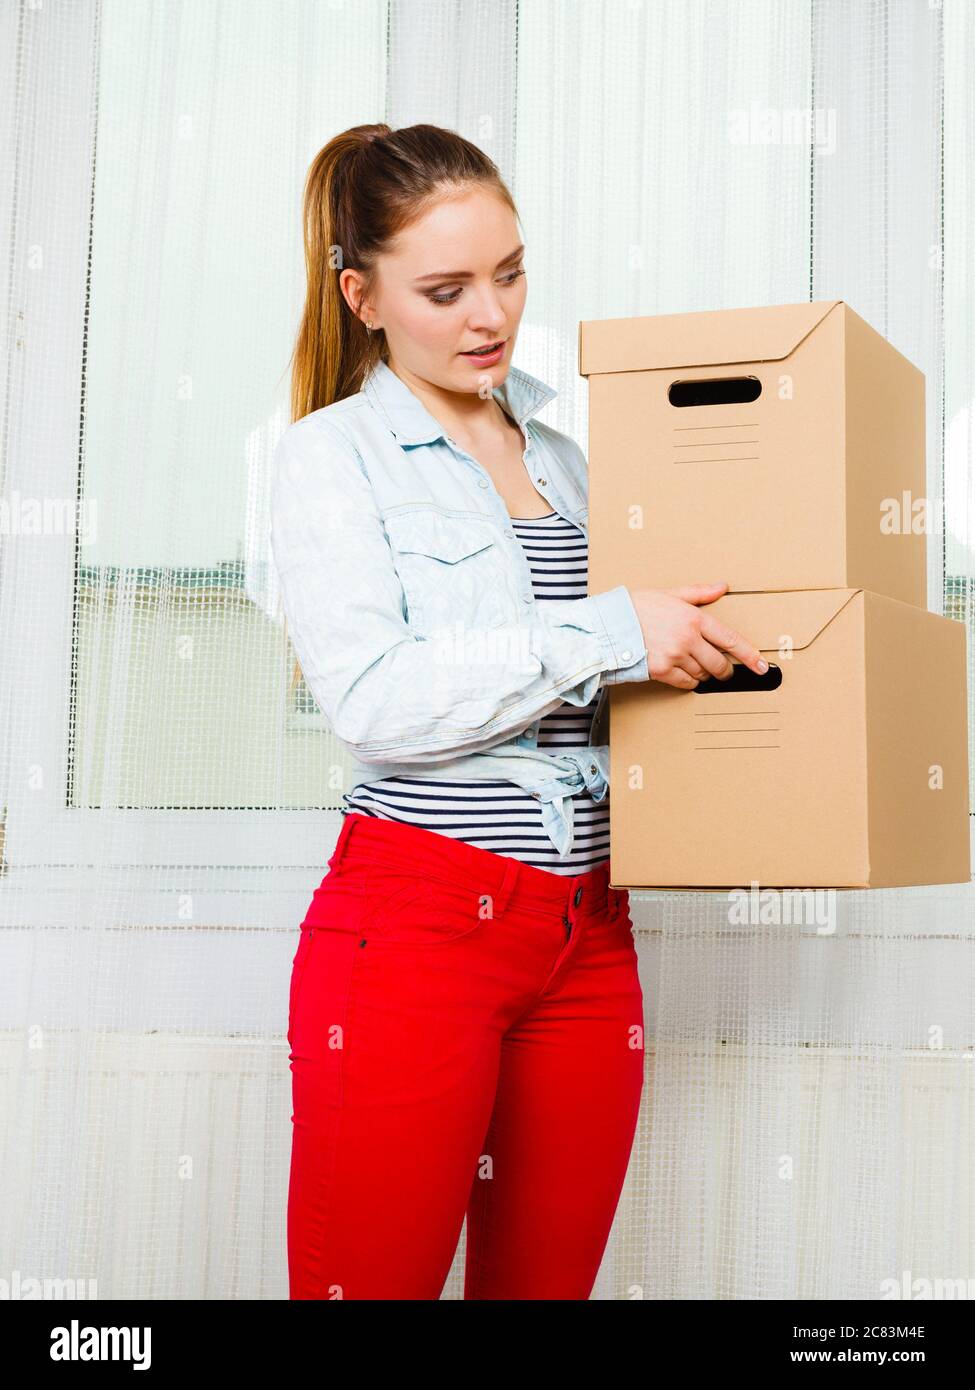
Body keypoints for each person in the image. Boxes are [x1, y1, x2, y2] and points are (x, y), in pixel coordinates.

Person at [270, 122, 767, 1301]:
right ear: (364, 295)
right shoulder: (329, 459)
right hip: (418, 926)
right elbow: (374, 699)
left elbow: (591, 686)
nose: (490, 314)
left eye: (509, 272)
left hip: (589, 931)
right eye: (445, 289)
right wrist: (610, 633)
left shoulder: (570, 460)